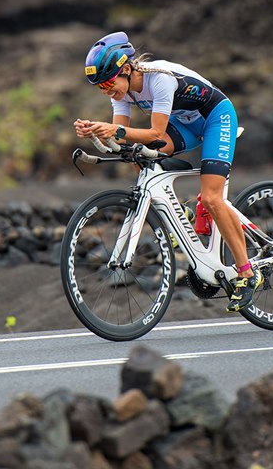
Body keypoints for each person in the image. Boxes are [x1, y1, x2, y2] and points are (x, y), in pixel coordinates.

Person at [73, 31, 263, 312]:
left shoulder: (159, 79)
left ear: (126, 69)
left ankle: (247, 273)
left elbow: (155, 133)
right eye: (100, 88)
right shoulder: (121, 93)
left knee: (212, 198)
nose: (107, 91)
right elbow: (120, 142)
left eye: (108, 83)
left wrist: (116, 130)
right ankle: (179, 213)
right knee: (135, 154)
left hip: (216, 119)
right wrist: (95, 134)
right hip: (186, 124)